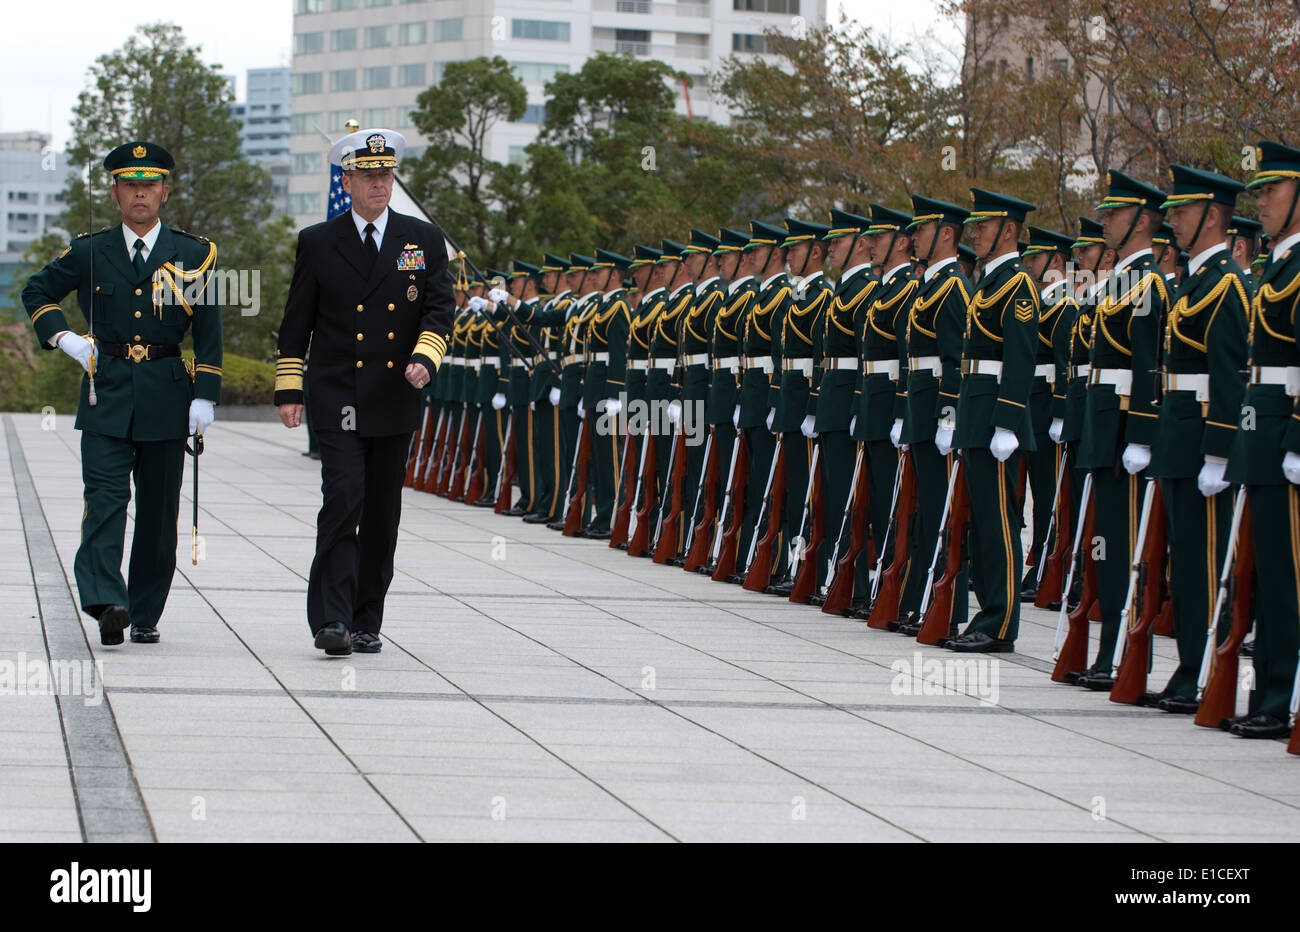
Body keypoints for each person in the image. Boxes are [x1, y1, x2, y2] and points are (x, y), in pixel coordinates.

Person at [22, 140, 221, 646]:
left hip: (166, 394)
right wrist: (62, 337)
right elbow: (36, 290)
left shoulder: (193, 253)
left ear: (165, 192)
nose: (140, 194)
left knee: (158, 513)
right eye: (129, 185)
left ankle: (146, 610)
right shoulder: (91, 250)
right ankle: (107, 601)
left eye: (149, 185)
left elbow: (210, 328)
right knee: (105, 501)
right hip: (104, 390)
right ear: (114, 193)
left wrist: (206, 395)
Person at [274, 128, 454, 656]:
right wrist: (290, 389)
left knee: (381, 510)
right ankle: (330, 618)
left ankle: (366, 616)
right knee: (343, 497)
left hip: (394, 395)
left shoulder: (422, 239)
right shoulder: (318, 241)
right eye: (369, 176)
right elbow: (296, 323)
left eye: (387, 175)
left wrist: (425, 358)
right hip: (338, 394)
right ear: (347, 180)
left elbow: (440, 310)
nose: (380, 184)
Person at [1146, 165, 1250, 711]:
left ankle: (1208, 671)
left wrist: (1219, 450)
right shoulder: (1193, 280)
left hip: (1201, 439)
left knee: (1204, 562)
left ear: (1212, 216)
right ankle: (1190, 666)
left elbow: (1230, 374)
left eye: (1182, 212)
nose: (1173, 222)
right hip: (1178, 434)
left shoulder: (1227, 284)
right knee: (1183, 562)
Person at [1073, 172, 1171, 690]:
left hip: (1123, 434)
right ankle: (1108, 648)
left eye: (1113, 213)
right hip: (1102, 427)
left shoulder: (1149, 284)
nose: (1104, 220)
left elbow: (1148, 367)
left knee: (1127, 548)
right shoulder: (1118, 280)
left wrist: (1140, 434)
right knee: (1105, 547)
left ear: (1140, 220)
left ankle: (1126, 652)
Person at [1223, 139, 1300, 739]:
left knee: (1289, 572)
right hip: (1261, 427)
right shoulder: (1276, 264)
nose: (1263, 203)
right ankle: (1269, 692)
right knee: (1269, 568)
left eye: (1272, 191)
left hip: (1286, 430)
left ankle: (1281, 696)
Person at [946, 189, 1039, 653]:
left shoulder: (1018, 286)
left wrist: (1008, 422)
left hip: (995, 419)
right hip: (976, 411)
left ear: (1008, 229)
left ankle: (1001, 621)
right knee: (983, 519)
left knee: (1001, 521)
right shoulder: (988, 281)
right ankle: (988, 613)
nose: (974, 233)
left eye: (983, 226)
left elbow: (1020, 361)